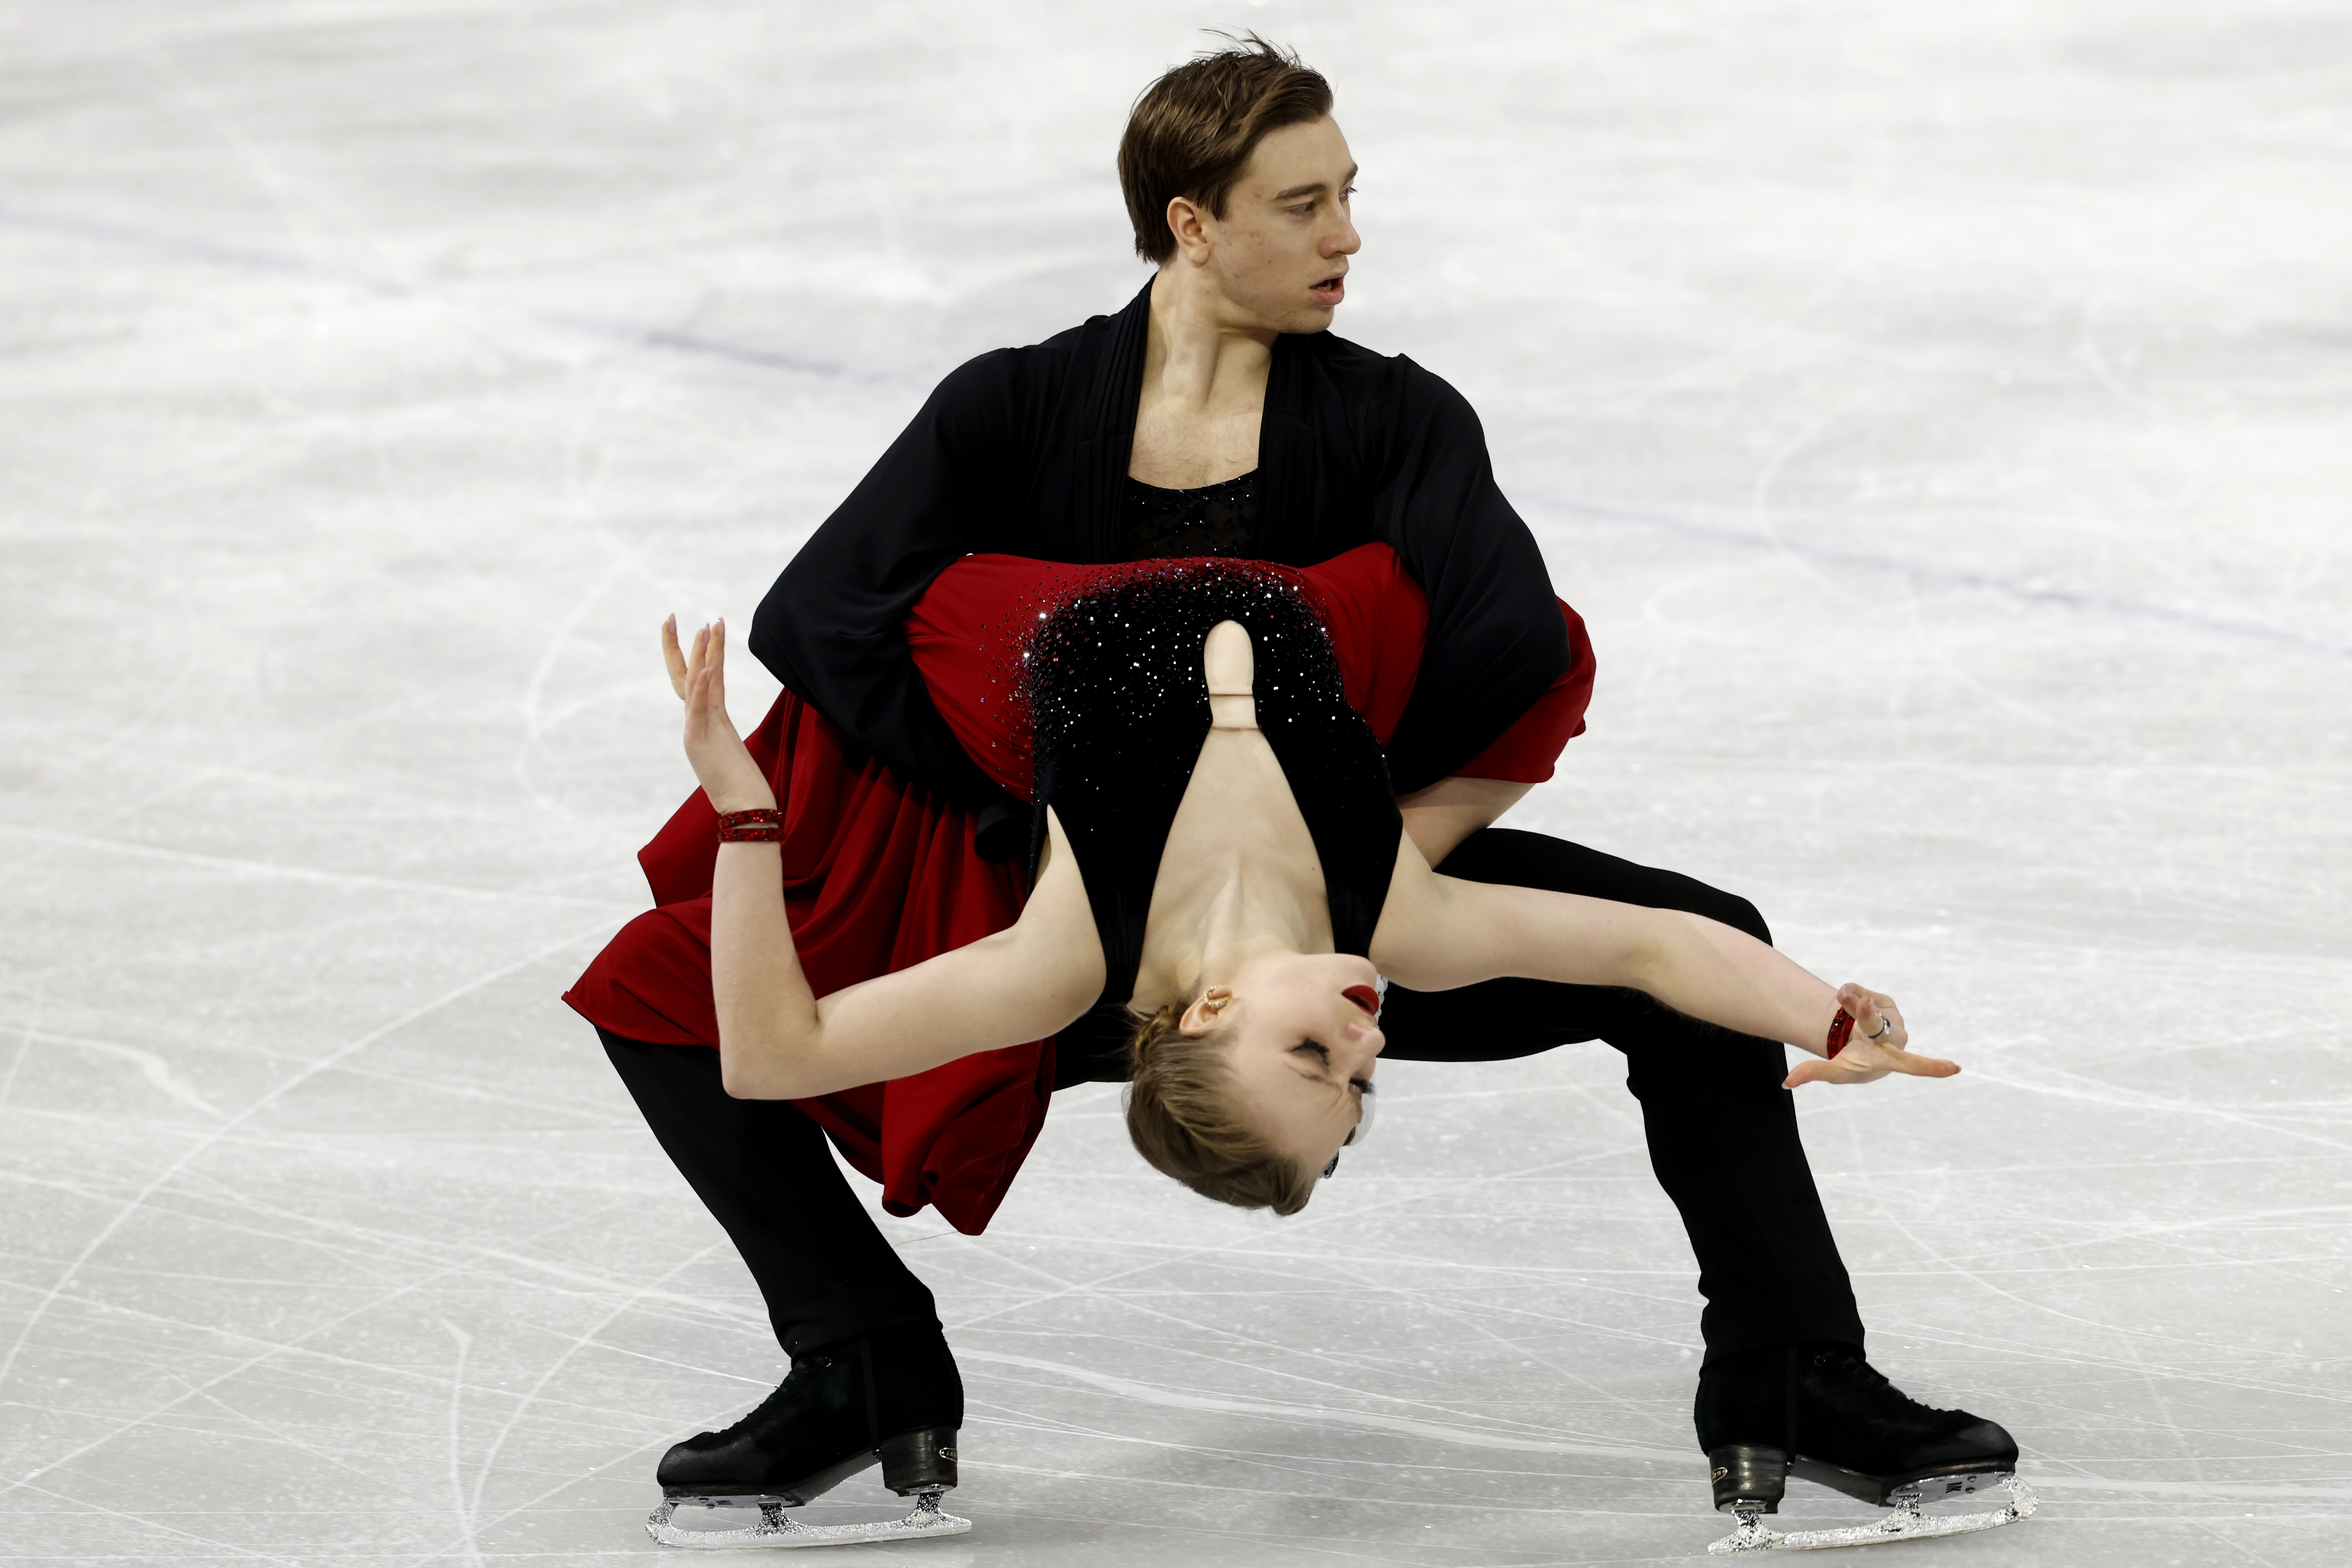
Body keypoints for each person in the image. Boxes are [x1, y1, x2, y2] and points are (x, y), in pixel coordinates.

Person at [564, 34, 2025, 1549]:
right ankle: (862, 1361)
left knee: (1692, 944)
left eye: (1347, 197)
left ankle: (1792, 1376)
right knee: (655, 989)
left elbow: (1507, 636)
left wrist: (1372, 850)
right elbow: (834, 618)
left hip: (1326, 898)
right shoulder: (1015, 409)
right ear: (1192, 221)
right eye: (1302, 205)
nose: (1345, 240)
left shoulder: (1389, 419)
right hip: (1081, 920)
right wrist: (1039, 810)